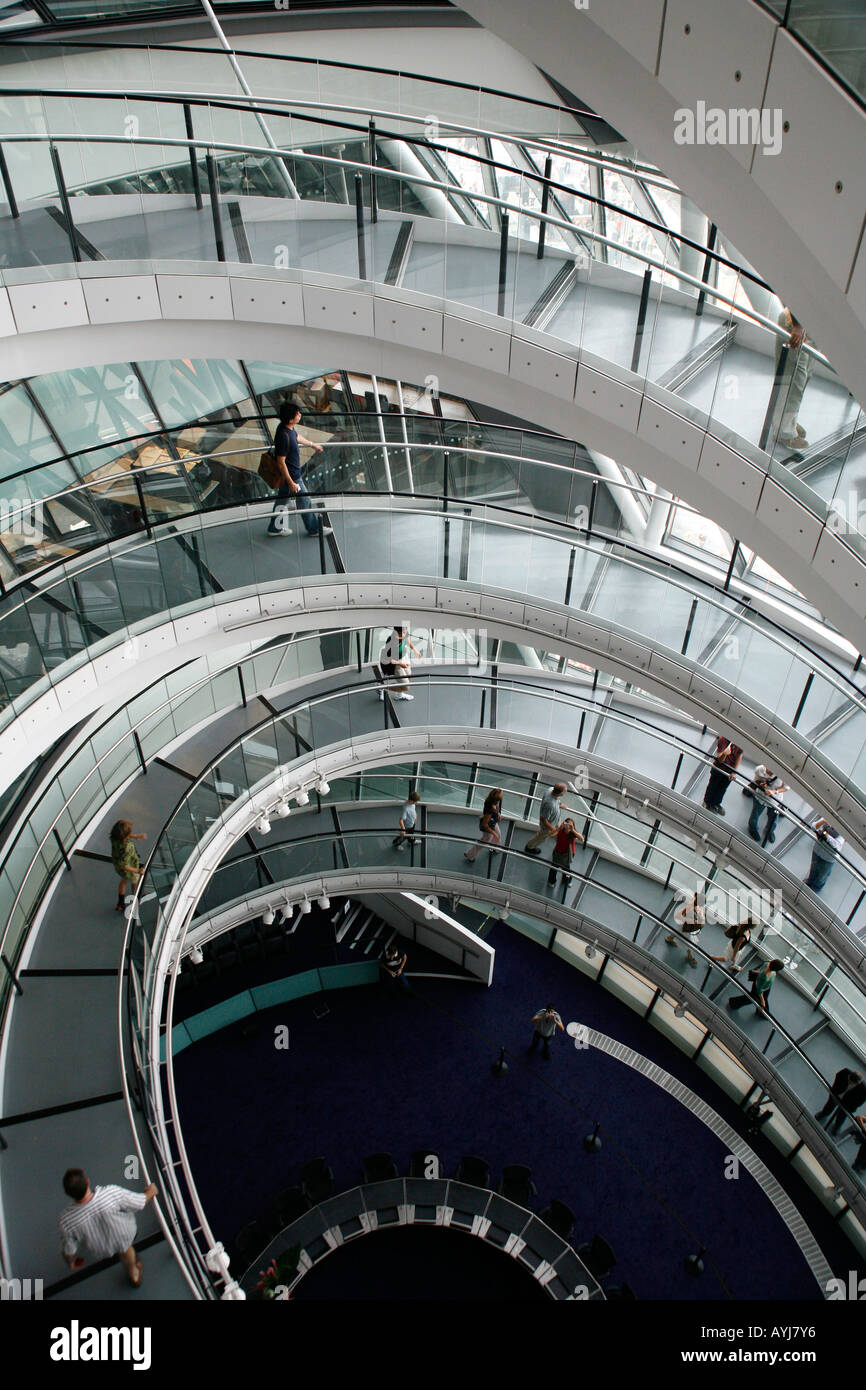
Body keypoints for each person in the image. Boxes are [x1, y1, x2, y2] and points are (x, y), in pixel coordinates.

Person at [59, 1169, 158, 1287]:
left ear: (67, 1192)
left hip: (101, 1250)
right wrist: (151, 1192)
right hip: (124, 1236)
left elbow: (69, 1249)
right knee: (126, 1249)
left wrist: (71, 1262)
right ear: (87, 1182)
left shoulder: (66, 1221)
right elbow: (139, 1203)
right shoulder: (110, 1194)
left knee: (117, 1247)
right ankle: (133, 1273)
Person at [266, 400, 332, 539]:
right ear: (291, 419)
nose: (300, 415)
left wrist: (312, 444)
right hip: (292, 477)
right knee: (304, 501)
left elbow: (297, 437)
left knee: (282, 501)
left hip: (289, 476)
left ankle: (275, 528)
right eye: (297, 414)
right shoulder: (284, 436)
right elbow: (281, 462)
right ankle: (314, 529)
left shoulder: (286, 428)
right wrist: (290, 482)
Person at [771, 308, 814, 452]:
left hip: (811, 328)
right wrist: (799, 325)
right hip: (795, 326)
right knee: (793, 380)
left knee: (804, 377)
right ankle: (784, 432)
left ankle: (789, 421)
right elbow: (796, 291)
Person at [815, 1068, 866, 1135]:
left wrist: (846, 1105)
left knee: (841, 1116)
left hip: (848, 1105)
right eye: (849, 1081)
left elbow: (858, 1103)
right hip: (837, 1094)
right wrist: (834, 1095)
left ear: (858, 1083)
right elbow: (836, 1083)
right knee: (829, 1105)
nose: (849, 1083)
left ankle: (836, 1127)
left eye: (852, 1083)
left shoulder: (864, 1090)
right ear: (849, 1076)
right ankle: (824, 1113)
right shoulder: (844, 1073)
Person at [110, 819, 146, 912]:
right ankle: (136, 896)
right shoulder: (127, 848)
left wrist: (135, 836)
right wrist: (138, 871)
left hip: (118, 866)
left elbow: (124, 835)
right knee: (135, 880)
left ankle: (120, 903)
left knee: (124, 881)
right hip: (129, 868)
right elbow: (124, 865)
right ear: (125, 837)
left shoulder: (114, 838)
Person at [378, 624, 422, 702]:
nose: (404, 634)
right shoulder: (391, 642)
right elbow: (389, 659)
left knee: (408, 677)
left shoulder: (403, 632)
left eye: (405, 632)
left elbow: (408, 641)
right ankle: (382, 687)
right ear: (395, 632)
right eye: (402, 633)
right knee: (406, 687)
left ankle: (399, 695)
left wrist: (415, 650)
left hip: (404, 657)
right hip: (396, 663)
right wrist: (400, 664)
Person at [747, 767, 789, 846]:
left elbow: (786, 787)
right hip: (760, 796)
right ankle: (752, 828)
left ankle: (769, 831)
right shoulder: (759, 769)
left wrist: (774, 791)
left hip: (775, 800)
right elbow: (756, 780)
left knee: (773, 819)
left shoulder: (783, 773)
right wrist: (761, 784)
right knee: (755, 814)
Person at [702, 737, 743, 816]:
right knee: (712, 786)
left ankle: (716, 803)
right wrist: (724, 754)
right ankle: (706, 801)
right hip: (718, 768)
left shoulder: (740, 741)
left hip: (729, 771)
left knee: (722, 788)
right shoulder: (723, 740)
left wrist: (734, 771)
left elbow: (739, 755)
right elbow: (720, 760)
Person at [665, 890, 705, 968]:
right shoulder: (690, 906)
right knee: (689, 942)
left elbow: (700, 913)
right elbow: (678, 916)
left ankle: (669, 938)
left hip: (687, 925)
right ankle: (690, 956)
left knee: (677, 932)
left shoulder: (698, 905)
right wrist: (692, 921)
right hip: (685, 925)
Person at [525, 782, 568, 855]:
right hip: (547, 827)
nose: (566, 792)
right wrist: (553, 829)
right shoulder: (550, 805)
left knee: (557, 833)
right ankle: (529, 847)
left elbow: (555, 800)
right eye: (565, 791)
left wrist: (559, 804)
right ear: (561, 794)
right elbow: (543, 819)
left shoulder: (550, 789)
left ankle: (560, 844)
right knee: (540, 837)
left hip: (554, 820)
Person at [805, 818, 845, 893]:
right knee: (813, 868)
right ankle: (809, 881)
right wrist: (823, 821)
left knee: (822, 875)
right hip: (817, 850)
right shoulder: (826, 819)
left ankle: (815, 889)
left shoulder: (842, 832)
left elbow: (836, 845)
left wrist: (825, 834)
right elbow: (813, 826)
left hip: (828, 858)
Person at [464, 788, 502, 863]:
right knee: (483, 842)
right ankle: (470, 855)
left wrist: (498, 814)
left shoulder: (493, 802)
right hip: (488, 826)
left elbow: (494, 811)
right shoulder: (490, 809)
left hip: (492, 822)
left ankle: (494, 848)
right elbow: (485, 824)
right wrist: (493, 833)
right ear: (496, 799)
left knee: (498, 835)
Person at [547, 817, 584, 887]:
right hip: (558, 852)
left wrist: (573, 830)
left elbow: (582, 839)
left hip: (567, 855)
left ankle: (566, 880)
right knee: (554, 868)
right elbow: (550, 835)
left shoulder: (573, 834)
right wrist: (559, 828)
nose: (568, 827)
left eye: (570, 825)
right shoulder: (560, 831)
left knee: (566, 869)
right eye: (567, 824)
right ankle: (552, 881)